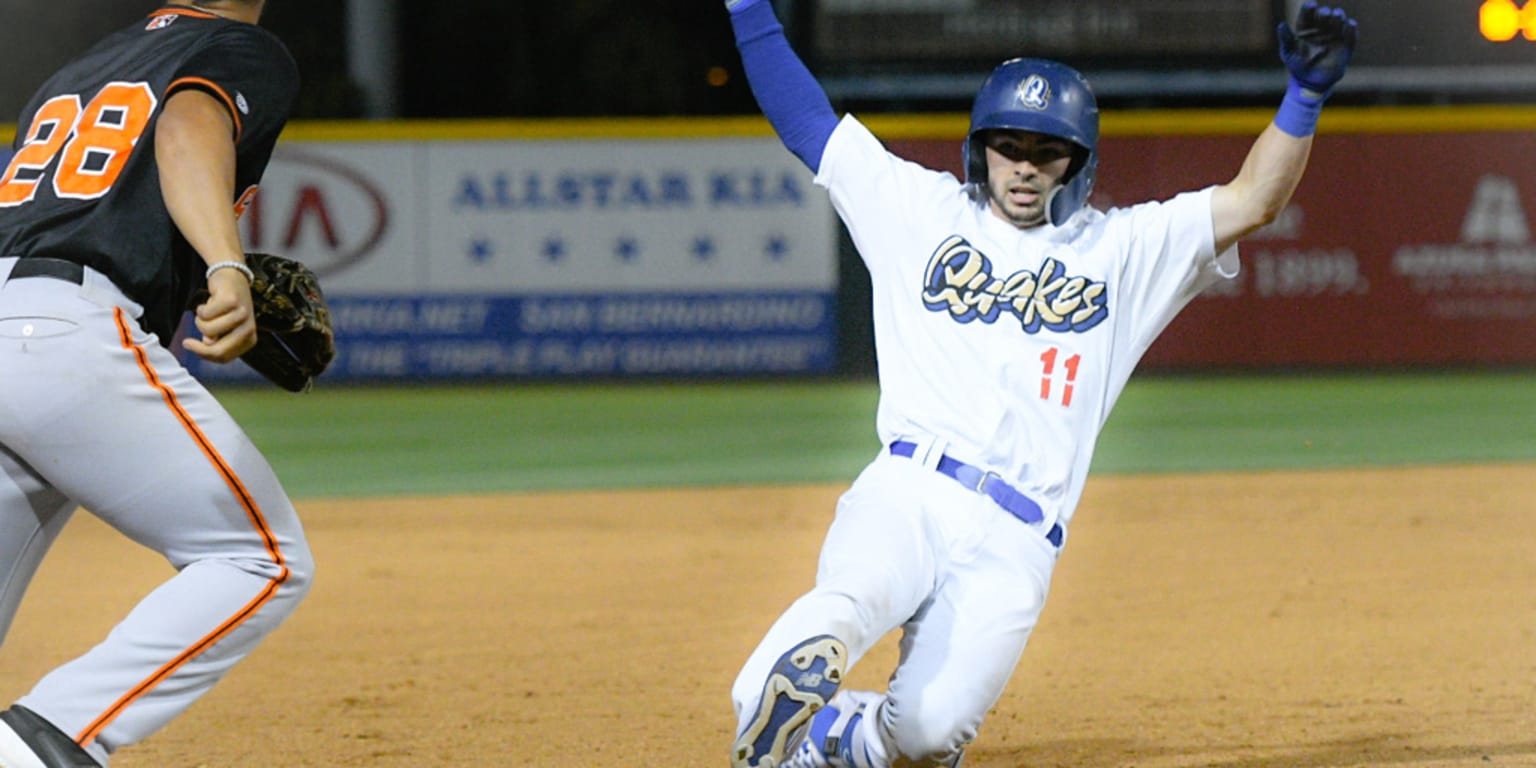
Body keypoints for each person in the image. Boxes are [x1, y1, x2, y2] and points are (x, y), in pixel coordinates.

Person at [723, 2, 1357, 767]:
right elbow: (806, 121)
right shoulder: (917, 211)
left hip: (1017, 542)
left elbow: (1255, 199)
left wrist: (1305, 98)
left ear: (1079, 162)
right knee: (840, 608)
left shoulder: (1124, 250)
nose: (1023, 165)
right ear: (979, 150)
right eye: (1007, 145)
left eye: (1047, 150)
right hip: (909, 489)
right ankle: (783, 682)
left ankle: (826, 737)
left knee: (925, 737)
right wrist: (748, 7)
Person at [0, 1, 312, 765]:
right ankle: (40, 740)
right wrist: (225, 263)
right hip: (64, 334)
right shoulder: (240, 47)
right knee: (260, 560)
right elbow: (186, 126)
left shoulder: (82, 67)